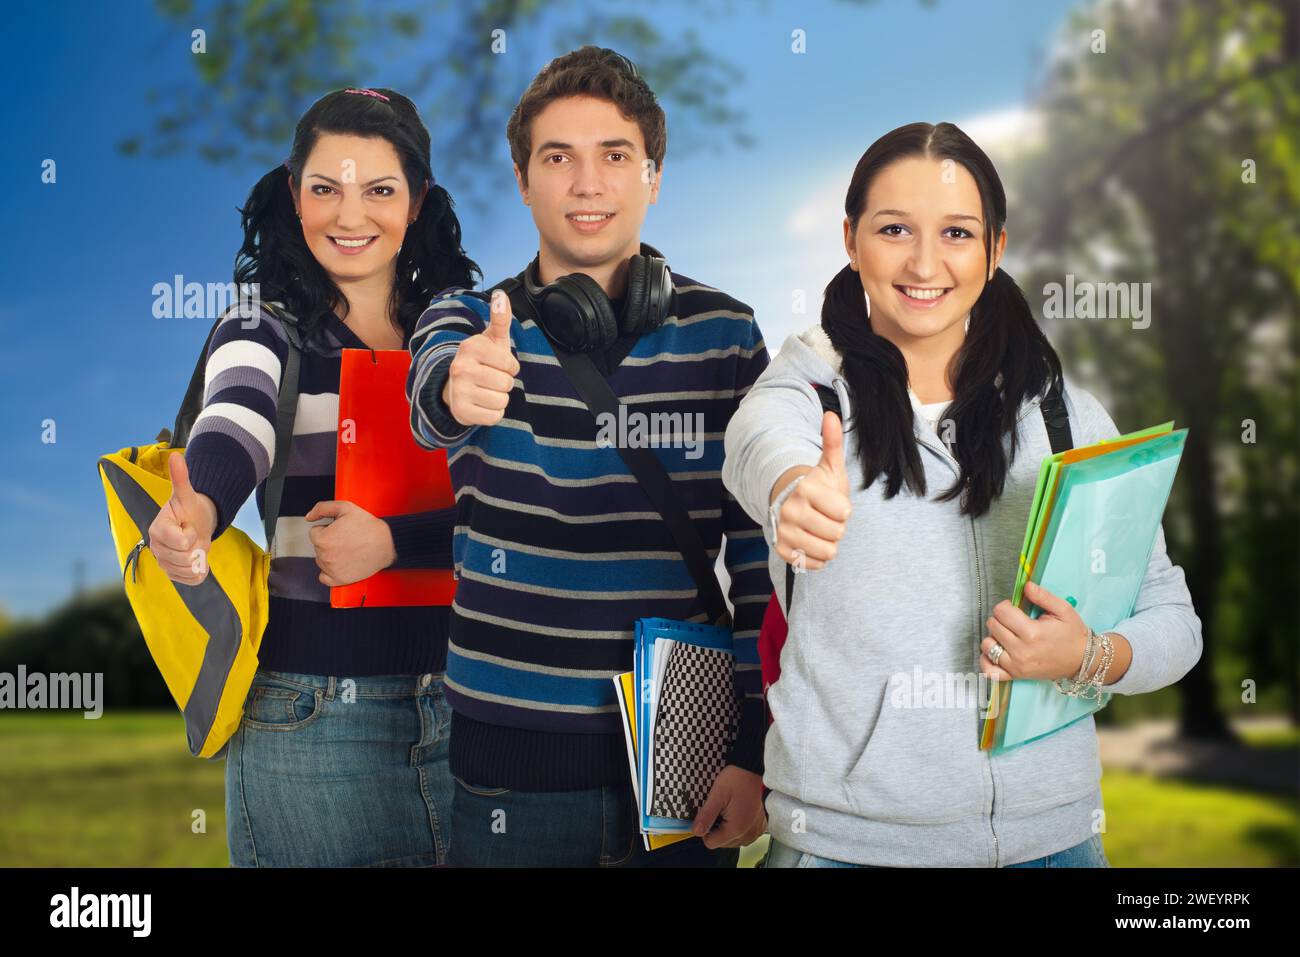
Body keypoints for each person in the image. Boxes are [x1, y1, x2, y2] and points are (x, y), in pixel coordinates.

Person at [722, 121, 1203, 868]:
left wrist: (1090, 655)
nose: (924, 262)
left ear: (995, 248)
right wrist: (792, 492)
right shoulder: (805, 391)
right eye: (893, 229)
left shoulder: (1063, 415)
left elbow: (1174, 619)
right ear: (851, 240)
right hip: (845, 850)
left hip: (1058, 842)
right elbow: (758, 448)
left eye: (955, 232)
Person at [405, 46, 771, 867]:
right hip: (507, 773)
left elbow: (760, 563)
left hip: (686, 761)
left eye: (615, 156)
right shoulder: (467, 318)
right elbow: (433, 391)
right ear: (522, 178)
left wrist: (752, 748)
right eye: (558, 157)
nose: (587, 183)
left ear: (654, 175)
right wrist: (458, 387)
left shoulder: (728, 333)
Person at [146, 87, 480, 867]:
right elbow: (237, 418)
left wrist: (397, 541)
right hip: (315, 717)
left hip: (475, 707)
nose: (349, 215)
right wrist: (204, 504)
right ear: (295, 195)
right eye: (325, 188)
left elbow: (515, 508)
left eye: (380, 190)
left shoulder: (465, 333)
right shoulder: (260, 325)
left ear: (418, 199)